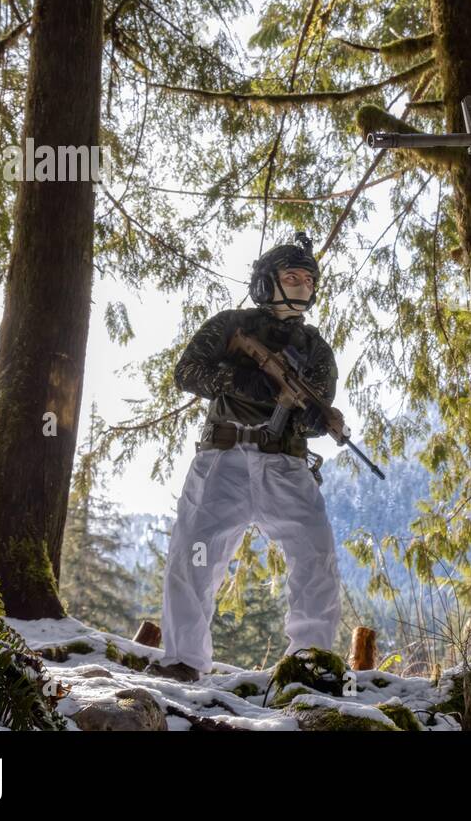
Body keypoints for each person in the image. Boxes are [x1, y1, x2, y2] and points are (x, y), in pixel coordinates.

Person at [147, 233, 342, 682]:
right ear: (265, 282)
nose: (301, 286)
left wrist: (319, 419)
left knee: (315, 558)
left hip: (286, 463)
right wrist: (240, 382)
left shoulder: (315, 348)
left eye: (308, 279)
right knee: (194, 555)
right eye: (291, 277)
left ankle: (309, 667)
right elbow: (187, 372)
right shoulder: (230, 324)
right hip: (223, 457)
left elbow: (312, 414)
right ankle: (183, 661)